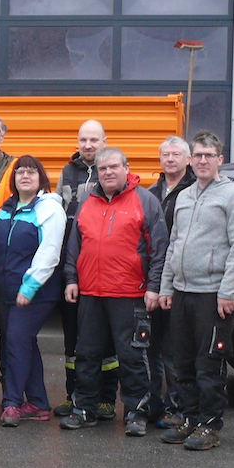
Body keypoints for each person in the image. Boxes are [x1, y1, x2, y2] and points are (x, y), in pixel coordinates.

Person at [61, 147, 169, 435]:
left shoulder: (145, 201)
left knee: (132, 356)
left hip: (130, 293)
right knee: (86, 353)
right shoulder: (87, 201)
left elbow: (160, 250)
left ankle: (136, 412)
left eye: (113, 167)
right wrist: (71, 279)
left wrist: (155, 287)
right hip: (91, 293)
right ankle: (84, 407)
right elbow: (74, 244)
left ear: (126, 168)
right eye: (103, 168)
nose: (108, 172)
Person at [156, 131, 234, 450]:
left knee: (208, 362)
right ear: (191, 159)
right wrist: (167, 285)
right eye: (197, 155)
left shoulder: (233, 196)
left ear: (220, 159)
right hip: (182, 292)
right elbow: (174, 244)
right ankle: (189, 418)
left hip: (213, 295)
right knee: (182, 361)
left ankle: (210, 426)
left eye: (209, 155)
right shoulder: (184, 196)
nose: (202, 161)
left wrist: (227, 291)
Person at [0, 155, 66, 426]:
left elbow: (49, 253)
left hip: (35, 293)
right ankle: (37, 402)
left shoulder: (49, 209)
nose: (25, 176)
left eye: (31, 172)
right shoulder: (7, 208)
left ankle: (12, 403)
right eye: (20, 172)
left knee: (15, 343)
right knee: (24, 343)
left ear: (41, 178)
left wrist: (29, 287)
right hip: (7, 291)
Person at [54, 118, 113, 416]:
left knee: (105, 339)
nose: (88, 145)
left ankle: (106, 398)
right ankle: (73, 394)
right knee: (73, 336)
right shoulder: (67, 171)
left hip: (101, 267)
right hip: (71, 267)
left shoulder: (111, 171)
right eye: (83, 140)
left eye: (94, 140)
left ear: (104, 141)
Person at [147, 136, 197, 427]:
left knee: (175, 349)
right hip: (152, 278)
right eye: (165, 154)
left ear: (188, 159)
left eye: (176, 154)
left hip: (180, 280)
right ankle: (154, 403)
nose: (169, 159)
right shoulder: (151, 193)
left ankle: (177, 405)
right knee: (150, 346)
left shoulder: (194, 190)